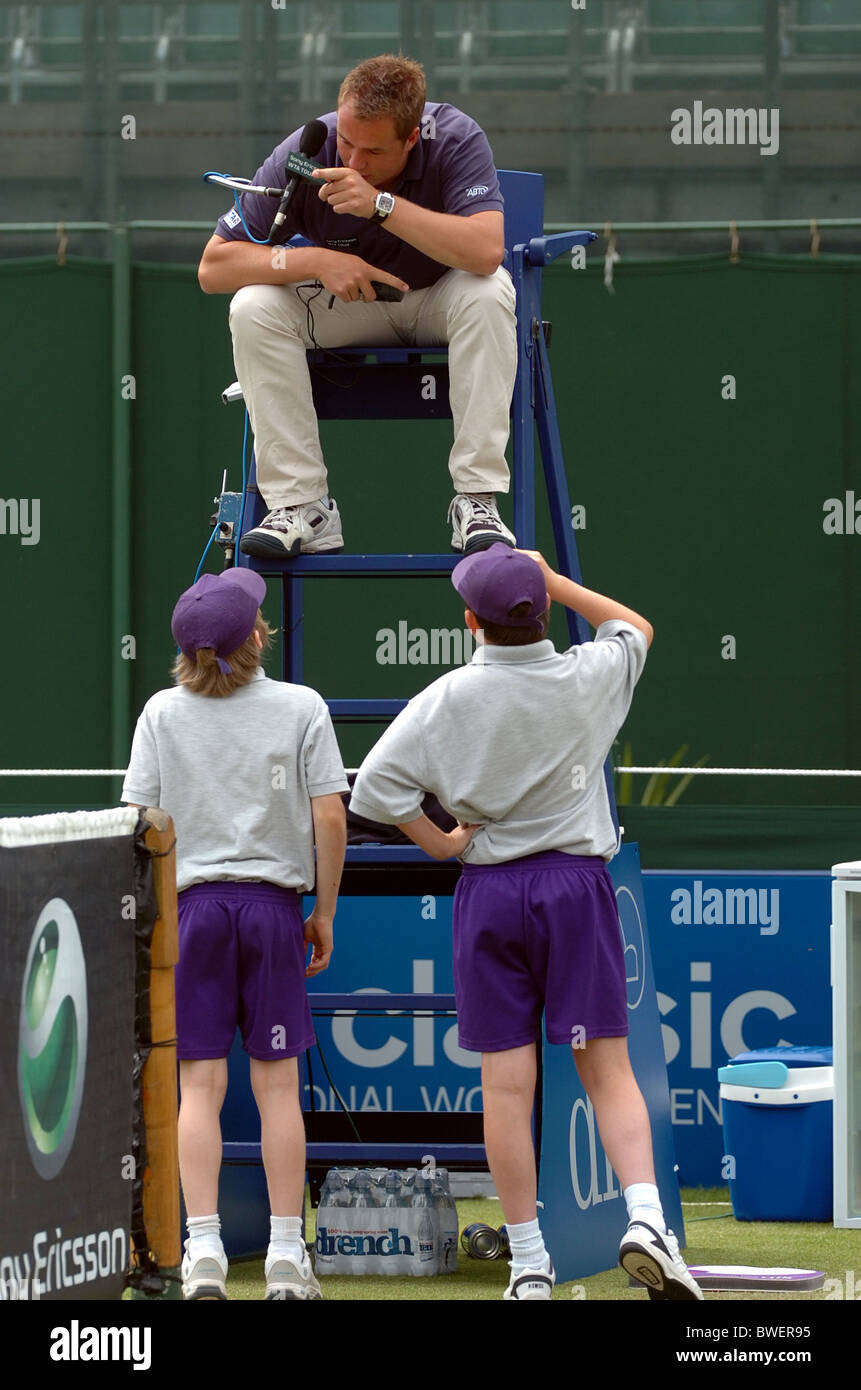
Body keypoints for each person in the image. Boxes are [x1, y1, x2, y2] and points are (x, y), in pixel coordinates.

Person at [349, 545, 703, 1301]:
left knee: (504, 1088)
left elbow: (374, 789)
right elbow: (632, 625)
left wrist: (440, 841)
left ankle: (529, 1263)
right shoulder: (588, 673)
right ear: (540, 609)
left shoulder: (443, 698)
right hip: (574, 887)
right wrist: (550, 577)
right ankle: (645, 1221)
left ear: (469, 621)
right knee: (606, 1071)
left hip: (490, 892)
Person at [121, 567, 348, 1300]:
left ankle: (204, 1253)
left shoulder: (160, 712)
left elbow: (140, 828)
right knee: (277, 1086)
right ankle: (286, 1255)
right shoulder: (300, 706)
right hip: (271, 907)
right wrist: (324, 912)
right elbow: (331, 818)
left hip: (191, 913)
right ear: (256, 636)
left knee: (199, 1086)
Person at [198, 53, 517, 559]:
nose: (352, 161)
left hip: (437, 300)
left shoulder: (455, 137)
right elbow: (213, 268)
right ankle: (303, 506)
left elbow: (485, 250)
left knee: (490, 290)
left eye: (373, 151)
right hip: (348, 305)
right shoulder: (305, 150)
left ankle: (476, 501)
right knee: (252, 305)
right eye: (346, 141)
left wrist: (378, 205)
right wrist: (317, 261)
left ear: (412, 139)